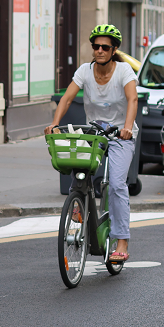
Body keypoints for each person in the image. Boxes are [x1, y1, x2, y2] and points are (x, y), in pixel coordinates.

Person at [45, 24, 138, 264]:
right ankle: (78, 216)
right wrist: (55, 122)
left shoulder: (124, 71)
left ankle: (121, 241)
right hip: (93, 135)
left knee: (117, 184)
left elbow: (132, 99)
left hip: (120, 135)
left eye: (104, 47)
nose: (99, 51)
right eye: (95, 46)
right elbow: (67, 98)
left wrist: (127, 128)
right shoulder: (85, 72)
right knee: (80, 178)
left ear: (114, 50)